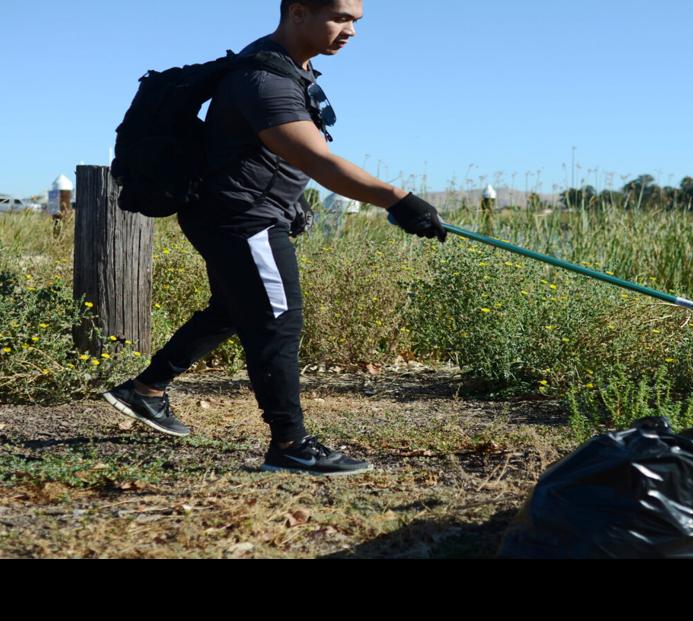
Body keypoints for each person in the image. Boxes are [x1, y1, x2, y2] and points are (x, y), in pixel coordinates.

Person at [101, 0, 446, 476]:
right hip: (243, 221)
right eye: (341, 18)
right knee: (277, 322)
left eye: (356, 22)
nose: (351, 32)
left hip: (239, 214)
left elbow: (261, 155)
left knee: (233, 308)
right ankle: (290, 446)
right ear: (298, 12)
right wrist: (398, 199)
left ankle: (145, 391)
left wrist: (291, 202)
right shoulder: (264, 81)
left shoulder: (285, 70)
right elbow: (320, 162)